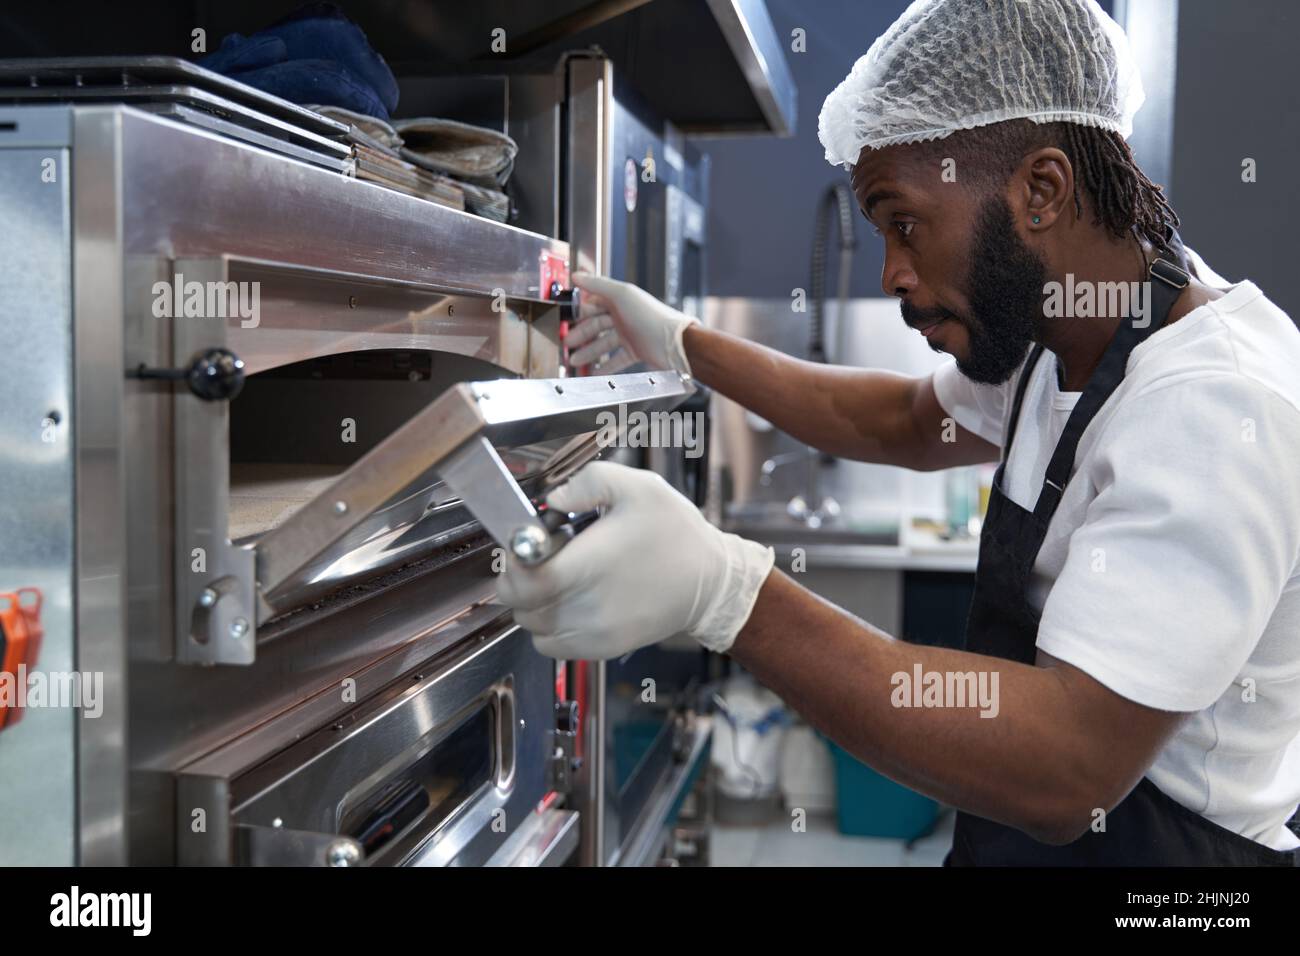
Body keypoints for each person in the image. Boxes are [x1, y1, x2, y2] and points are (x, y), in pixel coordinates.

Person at [498, 0, 1300, 865]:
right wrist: (683, 343)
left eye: (905, 223)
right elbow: (904, 420)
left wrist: (724, 592)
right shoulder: (1064, 335)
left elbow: (1069, 767)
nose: (892, 272)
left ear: (1042, 190)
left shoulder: (1215, 403)